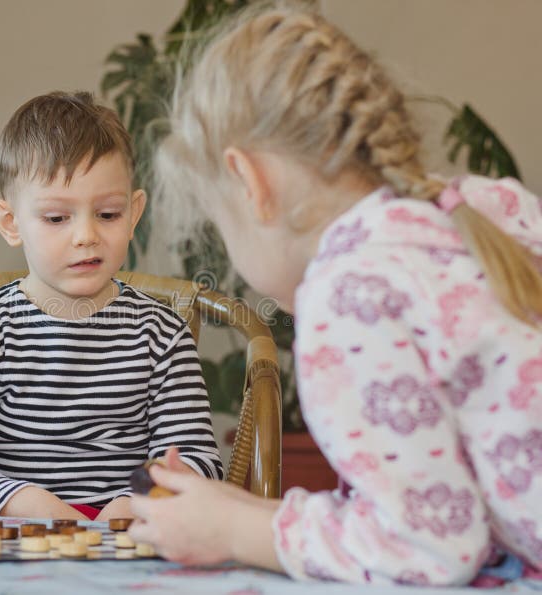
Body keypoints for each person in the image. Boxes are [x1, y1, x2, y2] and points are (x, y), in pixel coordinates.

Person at [128, 6, 542, 586]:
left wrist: (235, 535)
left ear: (251, 183)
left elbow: (432, 550)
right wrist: (234, 511)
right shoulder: (482, 208)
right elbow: (452, 509)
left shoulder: (350, 293)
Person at [0, 91, 223, 521]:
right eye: (57, 218)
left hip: (130, 543)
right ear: (11, 223)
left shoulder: (162, 336)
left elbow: (198, 462)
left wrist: (136, 502)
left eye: (108, 214)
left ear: (134, 213)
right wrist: (30, 503)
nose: (86, 236)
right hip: (20, 548)